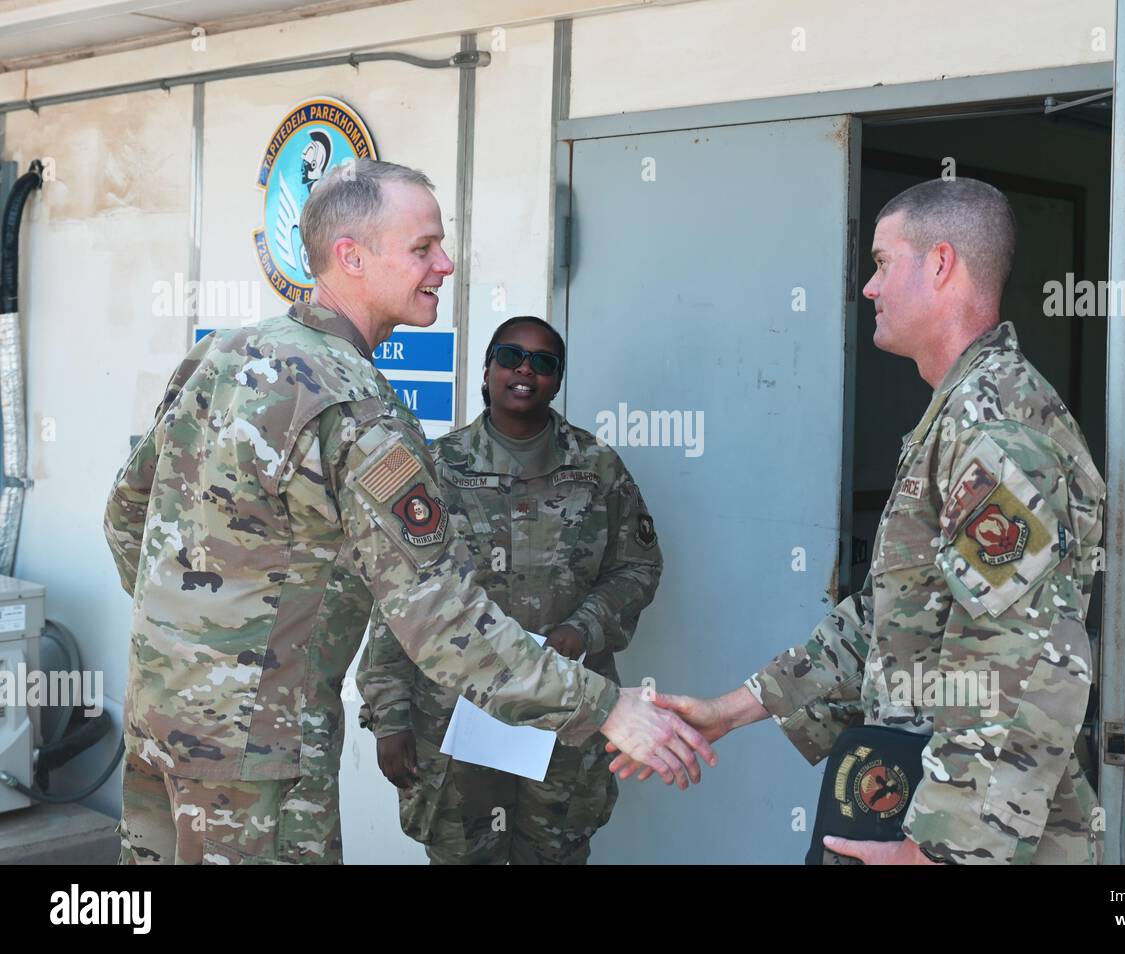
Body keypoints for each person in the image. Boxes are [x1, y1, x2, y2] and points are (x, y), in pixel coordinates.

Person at [102, 159, 714, 865]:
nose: (445, 265)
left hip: (159, 724)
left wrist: (195, 651)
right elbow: (440, 617)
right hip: (257, 757)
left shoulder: (220, 357)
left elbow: (127, 515)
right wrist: (607, 709)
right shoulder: (359, 408)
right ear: (351, 258)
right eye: (423, 248)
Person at [612, 178, 1106, 865]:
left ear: (940, 264)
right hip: (911, 791)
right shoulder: (959, 413)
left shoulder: (990, 426)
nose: (868, 288)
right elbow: (892, 616)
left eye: (880, 262)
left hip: (968, 841)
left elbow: (1020, 661)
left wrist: (938, 854)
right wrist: (732, 709)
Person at [357, 315, 662, 864]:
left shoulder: (597, 469)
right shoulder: (438, 467)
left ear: (558, 379)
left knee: (554, 855)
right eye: (511, 356)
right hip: (454, 715)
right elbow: (397, 595)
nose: (525, 370)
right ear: (488, 368)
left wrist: (583, 628)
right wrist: (390, 713)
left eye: (543, 362)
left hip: (565, 712)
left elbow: (637, 568)